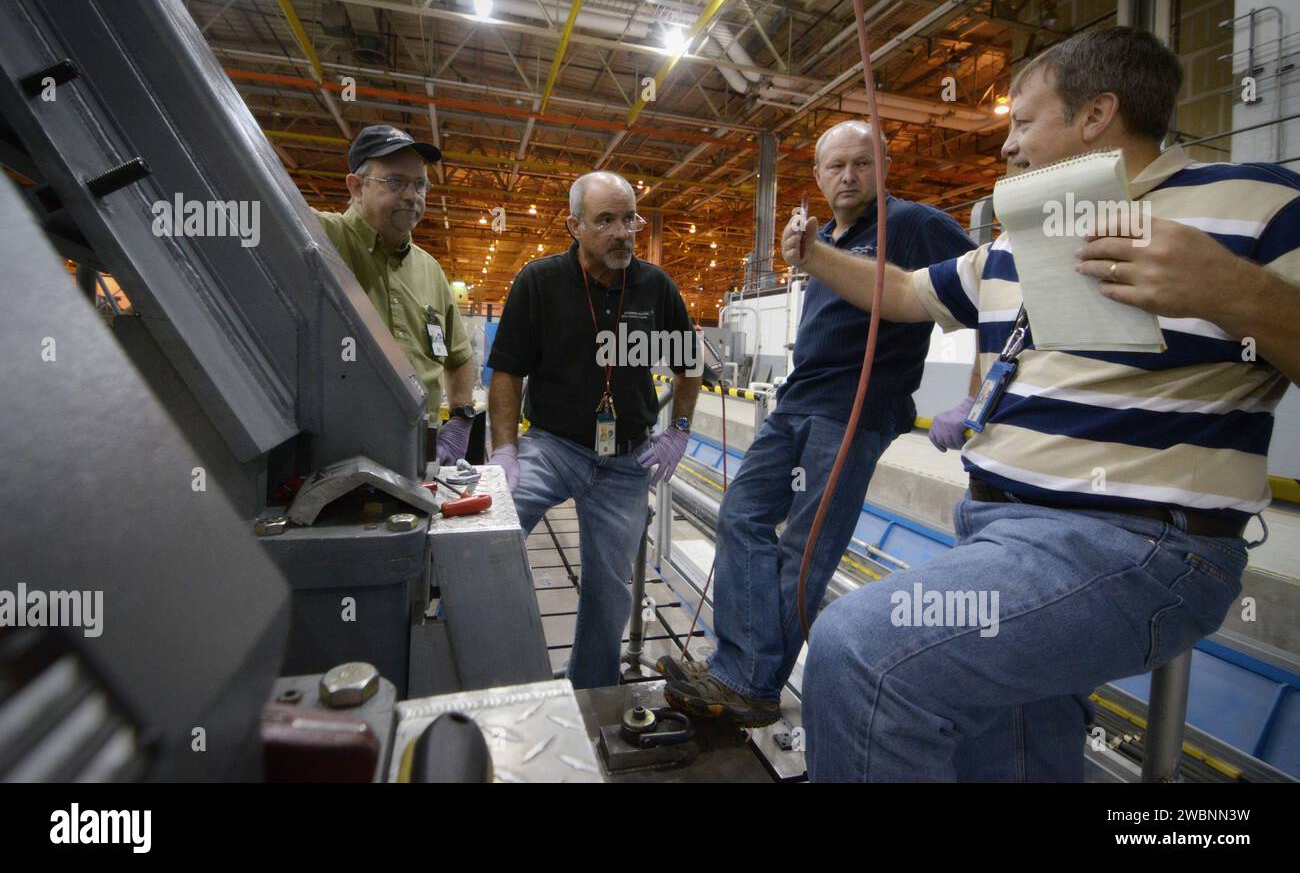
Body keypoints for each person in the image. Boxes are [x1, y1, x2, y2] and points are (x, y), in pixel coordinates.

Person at [790, 26, 1300, 781]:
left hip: (1132, 546)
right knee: (1010, 749)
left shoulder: (1256, 204)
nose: (1007, 148)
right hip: (998, 533)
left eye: (1023, 122)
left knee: (863, 648)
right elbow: (902, 291)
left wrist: (1230, 289)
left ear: (1096, 115)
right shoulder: (1019, 238)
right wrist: (813, 256)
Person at [659, 121, 975, 726]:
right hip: (797, 400)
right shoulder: (825, 235)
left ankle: (747, 681)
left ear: (883, 166)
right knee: (742, 514)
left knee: (804, 550)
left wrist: (976, 393)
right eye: (836, 167)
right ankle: (742, 668)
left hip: (854, 409)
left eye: (862, 164)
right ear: (818, 176)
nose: (849, 176)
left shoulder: (913, 224)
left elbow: (988, 291)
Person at [486, 171, 703, 689]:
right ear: (574, 225)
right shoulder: (538, 282)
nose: (622, 232)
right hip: (552, 446)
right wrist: (505, 451)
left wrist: (679, 430)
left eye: (629, 219)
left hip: (627, 460)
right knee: (491, 536)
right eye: (605, 221)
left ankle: (591, 692)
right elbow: (507, 372)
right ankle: (487, 670)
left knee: (610, 590)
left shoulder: (655, 285)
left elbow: (688, 364)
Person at [313, 125, 477, 464]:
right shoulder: (317, 237)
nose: (411, 195)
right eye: (395, 182)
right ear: (356, 188)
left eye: (420, 184)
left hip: (417, 453)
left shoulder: (430, 270)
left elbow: (458, 356)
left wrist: (460, 420)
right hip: (333, 453)